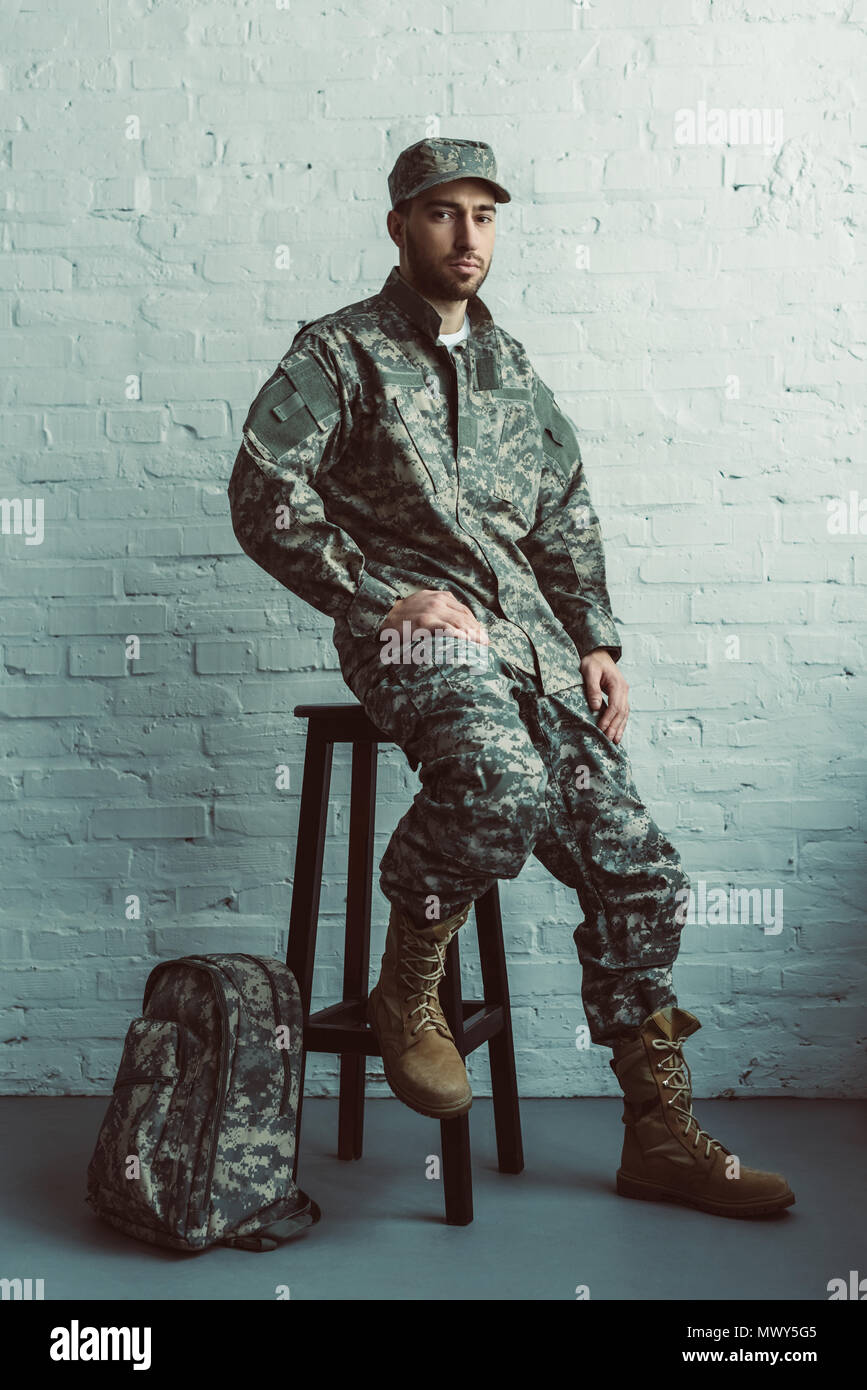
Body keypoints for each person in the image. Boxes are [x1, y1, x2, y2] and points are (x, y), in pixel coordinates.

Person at [228, 136, 794, 1219]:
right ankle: (411, 979)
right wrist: (370, 593)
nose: (467, 236)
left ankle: (658, 1134)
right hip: (419, 636)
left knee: (643, 870)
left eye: (485, 215)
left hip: (528, 642)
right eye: (442, 214)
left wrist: (596, 639)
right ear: (400, 224)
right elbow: (262, 489)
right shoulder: (340, 354)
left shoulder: (512, 368)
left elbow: (566, 509)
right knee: (501, 785)